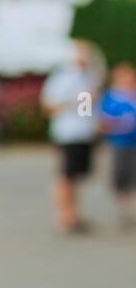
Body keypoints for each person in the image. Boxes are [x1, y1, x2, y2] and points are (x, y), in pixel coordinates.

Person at [40, 42, 101, 233]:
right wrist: (70, 104)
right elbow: (47, 107)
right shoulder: (62, 77)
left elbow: (90, 107)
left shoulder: (89, 77)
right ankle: (64, 216)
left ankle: (74, 214)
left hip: (84, 132)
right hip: (68, 132)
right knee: (66, 175)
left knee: (76, 177)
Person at [99, 61, 136, 229]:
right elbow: (101, 120)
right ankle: (122, 210)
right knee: (120, 175)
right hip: (119, 143)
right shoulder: (110, 97)